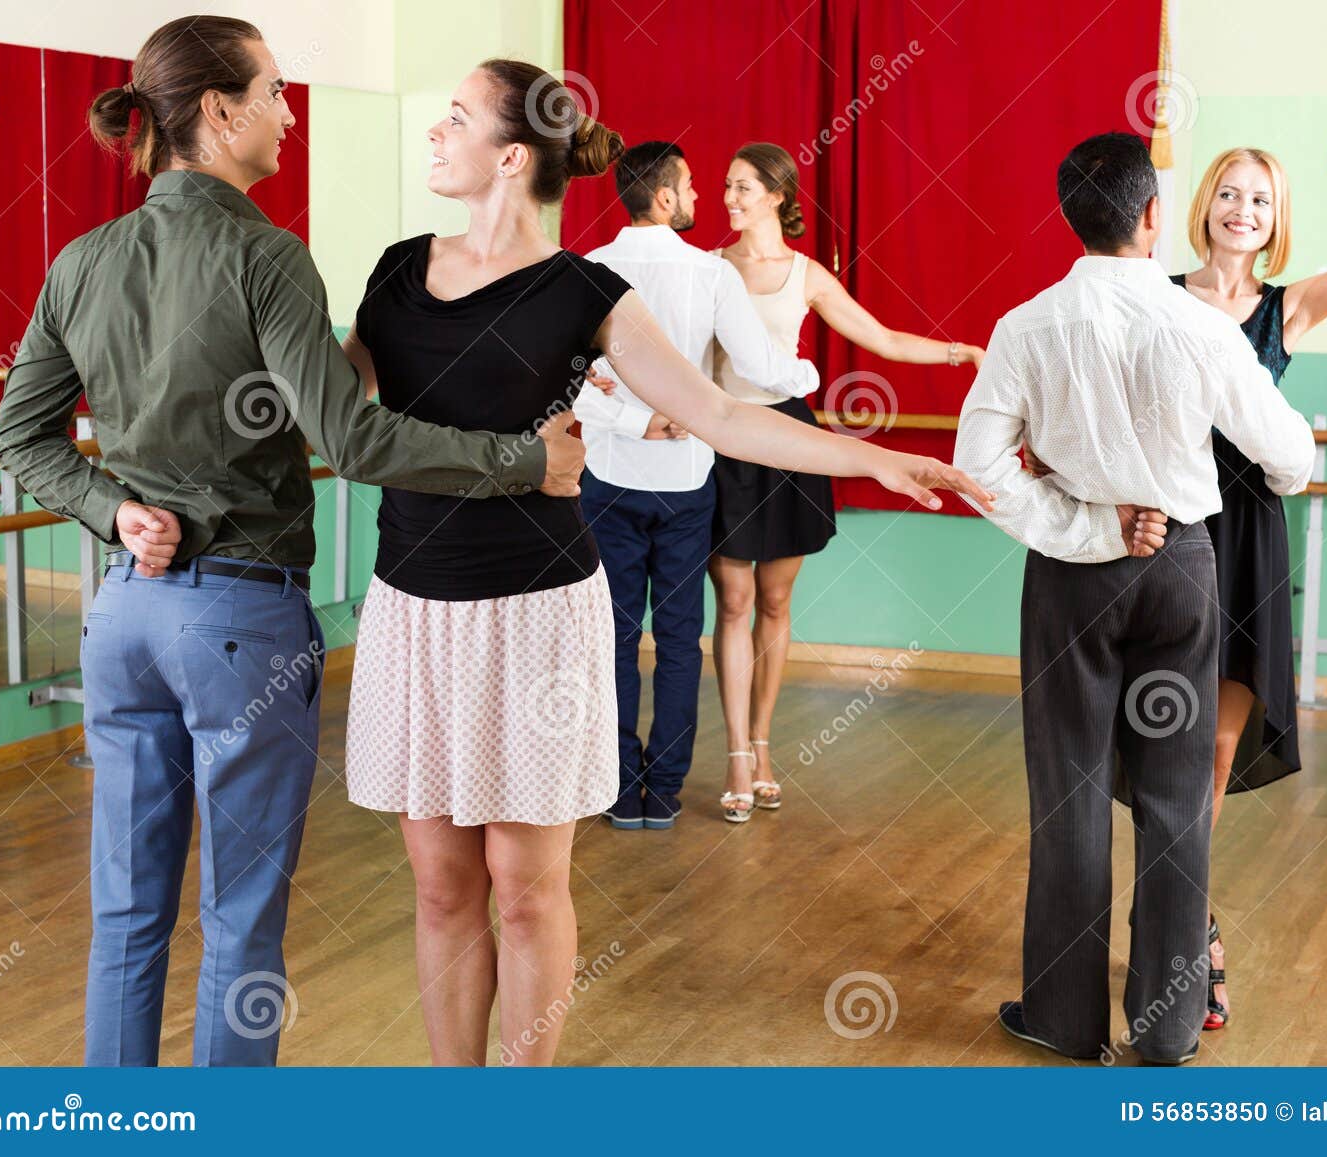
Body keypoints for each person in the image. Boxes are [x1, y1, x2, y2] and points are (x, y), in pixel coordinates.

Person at [338, 61, 993, 1066]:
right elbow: (334, 410)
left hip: (535, 610)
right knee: (439, 886)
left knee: (525, 889)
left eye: (456, 118)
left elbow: (722, 412)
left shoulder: (586, 291)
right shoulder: (394, 272)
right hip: (414, 606)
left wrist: (874, 457)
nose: (435, 131)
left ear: (510, 156)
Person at [0, 17, 585, 1067]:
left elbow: (20, 436)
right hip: (237, 622)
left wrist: (112, 509)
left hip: (123, 614)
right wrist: (524, 461)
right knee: (240, 920)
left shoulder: (83, 259)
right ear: (219, 112)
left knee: (125, 911)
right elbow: (351, 438)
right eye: (272, 92)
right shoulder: (265, 256)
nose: (287, 113)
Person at [1033, 40, 1327, 1032]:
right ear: (1200, 206)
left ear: (1275, 220)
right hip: (1159, 530)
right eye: (1229, 191)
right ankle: (1176, 925)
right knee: (1140, 742)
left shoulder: (1287, 308)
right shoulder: (1152, 290)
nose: (1242, 208)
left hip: (1248, 541)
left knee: (1212, 754)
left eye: (1260, 199)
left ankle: (1184, 929)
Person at [955, 132, 1315, 1065]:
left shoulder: (1025, 326)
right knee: (1177, 797)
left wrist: (1086, 525)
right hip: (1184, 569)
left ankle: (1063, 1019)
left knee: (1069, 790)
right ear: (1155, 216)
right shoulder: (1203, 327)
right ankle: (1169, 1027)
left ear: (1070, 218)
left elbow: (978, 469)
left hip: (1072, 579)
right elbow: (1291, 457)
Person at [709, 142, 986, 821]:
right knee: (735, 600)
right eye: (726, 186)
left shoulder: (806, 275)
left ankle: (763, 747)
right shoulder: (709, 268)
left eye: (743, 187)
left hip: (792, 442)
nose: (729, 198)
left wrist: (960, 352)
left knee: (775, 600)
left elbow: (882, 338)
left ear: (777, 195)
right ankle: (737, 756)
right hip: (726, 440)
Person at [573, 141, 819, 831]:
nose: (701, 196)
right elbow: (761, 367)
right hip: (686, 487)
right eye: (689, 185)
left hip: (609, 482)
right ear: (662, 197)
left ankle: (620, 791)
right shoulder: (711, 275)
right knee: (680, 639)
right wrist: (807, 376)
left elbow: (563, 386)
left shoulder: (587, 271)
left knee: (615, 639)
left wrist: (632, 419)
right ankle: (665, 793)